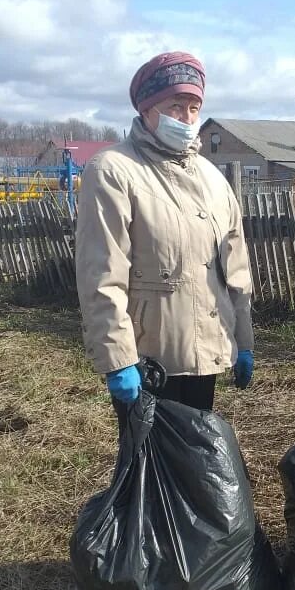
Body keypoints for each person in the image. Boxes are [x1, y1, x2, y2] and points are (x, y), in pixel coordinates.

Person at [75, 51, 254, 411]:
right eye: (175, 106)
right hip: (149, 359)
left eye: (193, 107)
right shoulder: (114, 170)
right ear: (146, 109)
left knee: (198, 459)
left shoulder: (213, 178)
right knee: (150, 464)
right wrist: (119, 358)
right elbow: (102, 273)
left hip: (206, 351)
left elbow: (235, 267)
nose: (186, 118)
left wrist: (244, 338)